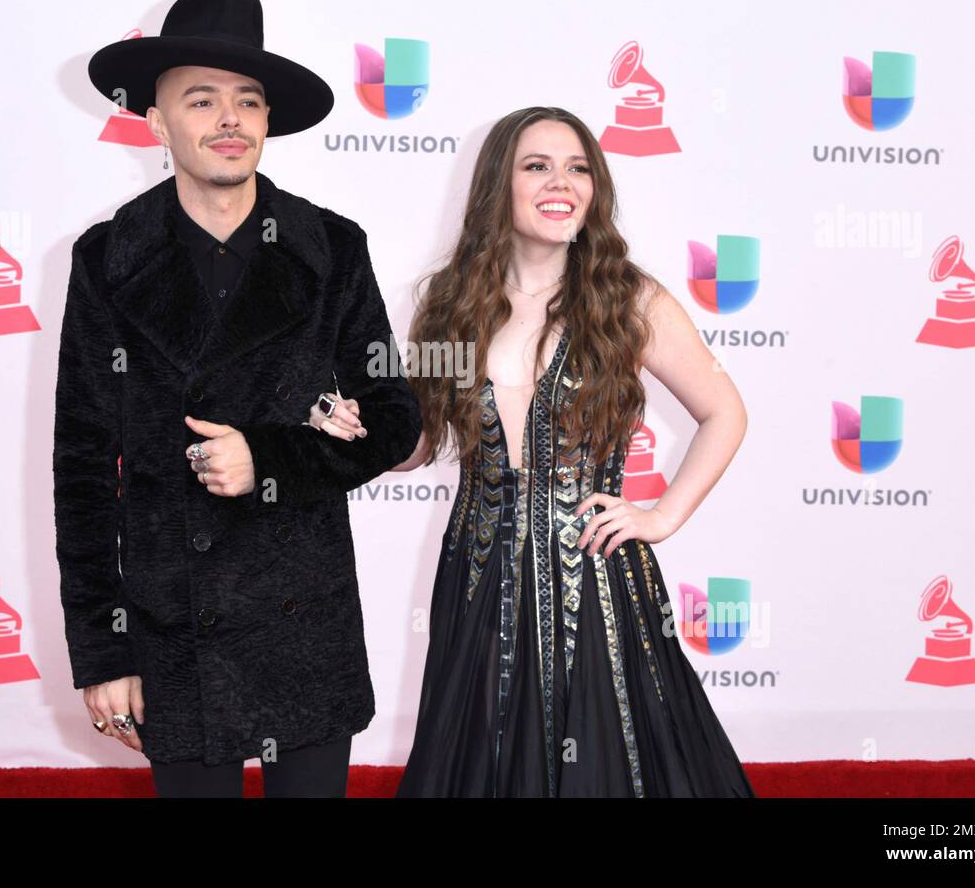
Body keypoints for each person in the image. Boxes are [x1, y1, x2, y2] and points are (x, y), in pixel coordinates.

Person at [309, 106, 756, 796]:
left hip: (601, 579)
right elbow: (421, 443)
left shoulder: (629, 301)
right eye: (537, 165)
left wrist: (662, 515)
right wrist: (360, 428)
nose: (562, 182)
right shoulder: (453, 308)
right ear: (499, 184)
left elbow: (724, 410)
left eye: (578, 167)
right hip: (478, 573)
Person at [54, 0, 422, 797]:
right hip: (173, 629)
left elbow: (396, 420)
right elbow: (82, 466)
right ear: (156, 120)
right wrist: (105, 647)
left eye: (248, 100)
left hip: (306, 621)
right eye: (203, 99)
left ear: (267, 119)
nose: (230, 118)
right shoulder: (107, 259)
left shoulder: (331, 247)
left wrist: (272, 457)